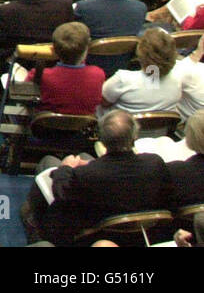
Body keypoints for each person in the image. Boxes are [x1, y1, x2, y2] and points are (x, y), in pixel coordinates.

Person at [21, 109, 169, 246]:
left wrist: (65, 167)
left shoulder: (87, 175)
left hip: (90, 235)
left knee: (48, 161)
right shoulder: (155, 163)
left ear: (102, 140)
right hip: (135, 234)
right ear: (135, 136)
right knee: (84, 156)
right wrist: (95, 165)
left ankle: (35, 228)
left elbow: (60, 191)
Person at [24, 22, 106, 116]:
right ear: (87, 47)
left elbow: (25, 100)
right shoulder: (98, 74)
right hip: (82, 128)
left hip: (45, 128)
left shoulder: (39, 75)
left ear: (53, 49)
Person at [100, 28, 182, 114]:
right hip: (162, 126)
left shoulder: (123, 79)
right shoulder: (180, 74)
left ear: (141, 54)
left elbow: (103, 102)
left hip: (123, 125)